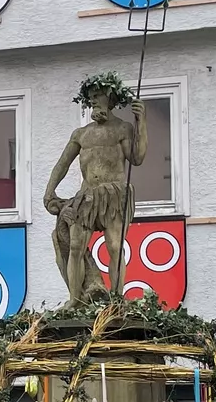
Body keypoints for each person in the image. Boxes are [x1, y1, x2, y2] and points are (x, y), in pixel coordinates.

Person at [43, 73, 147, 303]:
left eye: (98, 96)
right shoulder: (81, 134)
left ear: (110, 98)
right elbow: (62, 164)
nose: (93, 101)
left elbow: (137, 158)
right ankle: (74, 299)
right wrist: (49, 191)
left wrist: (142, 122)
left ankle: (117, 298)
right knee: (76, 245)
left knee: (115, 246)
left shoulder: (122, 128)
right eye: (90, 97)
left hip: (114, 194)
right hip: (87, 196)